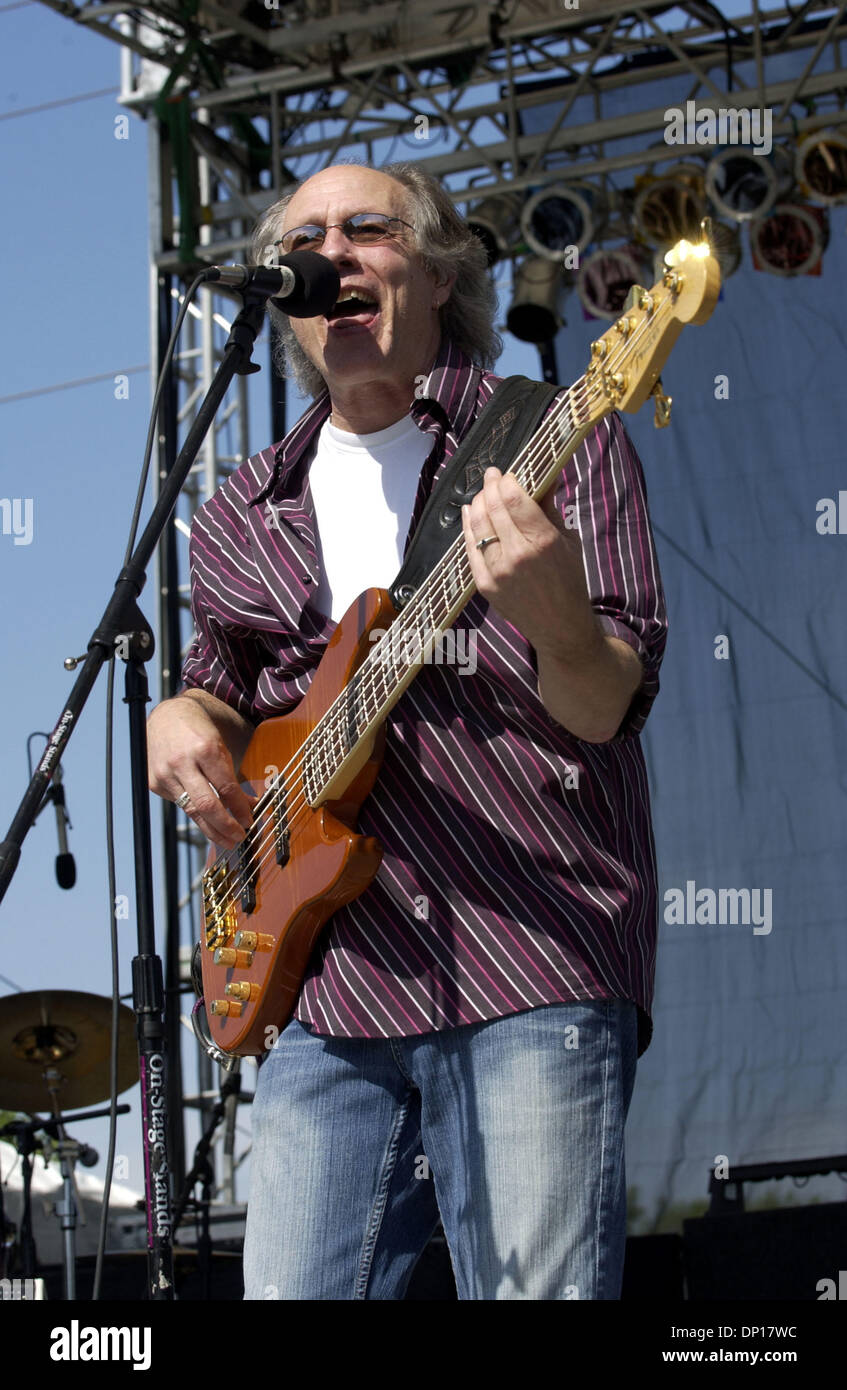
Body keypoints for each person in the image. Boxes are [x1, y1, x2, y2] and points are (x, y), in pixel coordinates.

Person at [146, 159, 668, 1300]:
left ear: (436, 273)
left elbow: (604, 704)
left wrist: (556, 621)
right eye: (307, 237)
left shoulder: (552, 436)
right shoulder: (242, 508)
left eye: (366, 229)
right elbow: (224, 698)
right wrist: (181, 714)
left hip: (528, 947)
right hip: (331, 985)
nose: (332, 253)